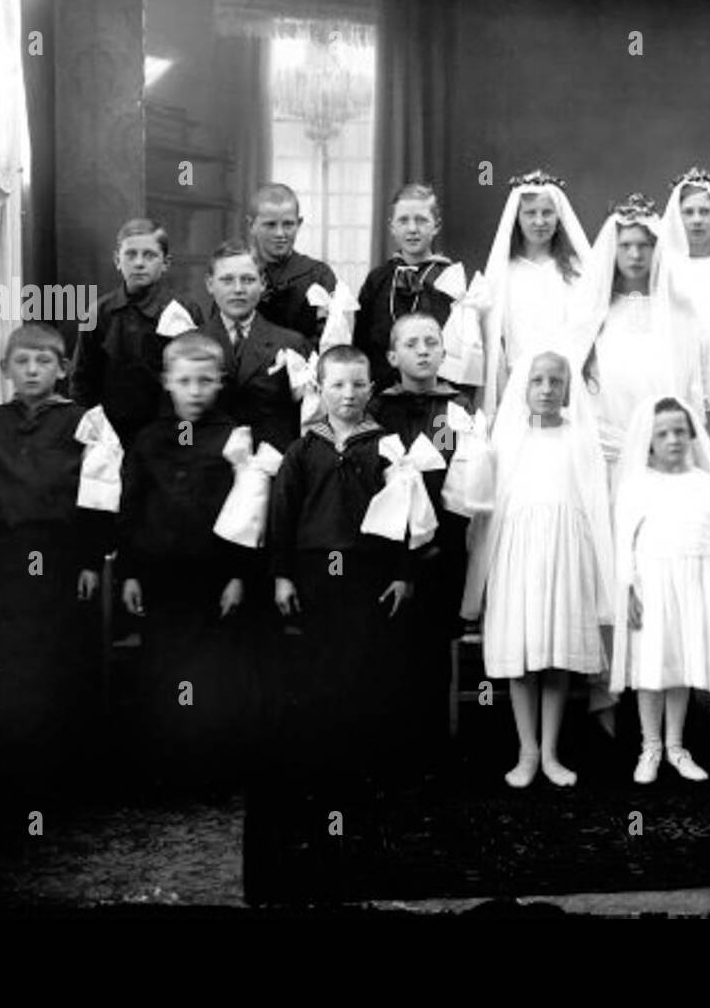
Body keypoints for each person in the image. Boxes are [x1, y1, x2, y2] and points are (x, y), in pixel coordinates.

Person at [253, 344, 413, 902]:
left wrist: (400, 572)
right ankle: (320, 769)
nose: (348, 394)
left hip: (368, 572)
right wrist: (282, 576)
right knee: (318, 672)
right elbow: (283, 516)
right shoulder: (303, 450)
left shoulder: (386, 447)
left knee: (364, 667)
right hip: (315, 572)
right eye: (337, 385)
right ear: (320, 389)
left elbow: (406, 514)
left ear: (372, 387)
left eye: (357, 384)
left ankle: (361, 769)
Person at [0, 323, 108, 784]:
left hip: (61, 555)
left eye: (44, 361)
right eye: (21, 362)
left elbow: (98, 495)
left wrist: (89, 561)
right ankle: (12, 764)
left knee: (59, 654)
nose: (32, 370)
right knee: (11, 656)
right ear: (5, 369)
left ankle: (61, 765)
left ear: (63, 369)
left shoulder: (84, 421)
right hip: (4, 556)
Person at [461, 345, 614, 788]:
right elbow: (485, 509)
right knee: (525, 656)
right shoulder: (505, 439)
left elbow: (595, 509)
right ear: (523, 388)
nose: (547, 389)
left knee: (555, 657)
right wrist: (483, 578)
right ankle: (526, 751)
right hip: (517, 555)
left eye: (556, 382)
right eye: (538, 381)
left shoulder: (580, 439)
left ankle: (551, 753)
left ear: (569, 391)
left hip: (566, 556)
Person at [117, 332, 257, 780]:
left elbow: (250, 511)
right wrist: (130, 573)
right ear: (167, 382)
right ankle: (168, 763)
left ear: (220, 382)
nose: (195, 391)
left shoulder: (234, 436)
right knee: (163, 664)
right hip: (160, 575)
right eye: (185, 381)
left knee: (214, 667)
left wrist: (238, 576)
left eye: (204, 381)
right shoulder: (149, 439)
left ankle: (209, 764)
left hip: (213, 576)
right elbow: (131, 509)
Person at [609, 395, 710, 784]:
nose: (673, 440)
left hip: (697, 586)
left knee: (681, 663)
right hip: (651, 585)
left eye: (680, 431)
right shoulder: (637, 485)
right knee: (652, 665)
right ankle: (649, 746)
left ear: (692, 435)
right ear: (649, 440)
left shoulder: (709, 486)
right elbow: (624, 542)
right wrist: (629, 590)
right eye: (663, 433)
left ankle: (676, 746)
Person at [369, 312, 474, 760]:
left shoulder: (454, 408)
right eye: (412, 344)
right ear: (393, 355)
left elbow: (463, 472)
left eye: (432, 342)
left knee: (435, 643)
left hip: (442, 541)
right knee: (390, 644)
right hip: (389, 542)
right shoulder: (378, 408)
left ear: (444, 352)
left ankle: (434, 744)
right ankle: (392, 739)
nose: (423, 350)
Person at [581, 193, 706, 481]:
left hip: (663, 453)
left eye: (644, 246)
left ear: (657, 249)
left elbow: (692, 389)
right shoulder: (594, 311)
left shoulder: (680, 313)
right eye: (625, 246)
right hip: (606, 453)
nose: (635, 256)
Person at [69, 217, 203, 449]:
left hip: (170, 434)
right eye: (131, 254)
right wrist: (96, 434)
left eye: (149, 255)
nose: (139, 263)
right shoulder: (98, 312)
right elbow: (82, 380)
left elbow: (198, 376)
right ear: (117, 260)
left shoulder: (184, 310)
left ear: (165, 263)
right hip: (113, 436)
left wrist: (186, 438)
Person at [480, 169, 590, 418]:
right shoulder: (503, 273)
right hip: (518, 385)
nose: (539, 221)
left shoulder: (578, 270)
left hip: (568, 386)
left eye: (547, 213)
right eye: (530, 213)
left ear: (559, 217)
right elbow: (494, 341)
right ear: (517, 217)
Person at [651, 167, 710, 435]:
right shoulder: (666, 265)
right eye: (689, 212)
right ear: (676, 216)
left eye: (705, 212)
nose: (697, 220)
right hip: (678, 362)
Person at [199, 240, 311, 453]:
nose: (238, 289)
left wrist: (293, 465)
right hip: (208, 467)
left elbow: (305, 419)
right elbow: (178, 419)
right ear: (210, 284)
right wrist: (186, 451)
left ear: (263, 283)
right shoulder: (190, 344)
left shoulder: (292, 344)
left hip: (272, 466)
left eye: (248, 279)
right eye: (227, 280)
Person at [356, 183, 458, 391]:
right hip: (383, 396)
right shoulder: (377, 280)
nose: (412, 229)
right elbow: (362, 341)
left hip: (437, 395)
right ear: (392, 226)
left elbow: (460, 348)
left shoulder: (451, 279)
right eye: (403, 220)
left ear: (436, 225)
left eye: (421, 220)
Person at [246, 183, 337, 345]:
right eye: (270, 225)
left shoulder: (318, 276)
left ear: (299, 223)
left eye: (288, 224)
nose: (280, 234)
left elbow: (331, 339)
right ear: (251, 225)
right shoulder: (237, 275)